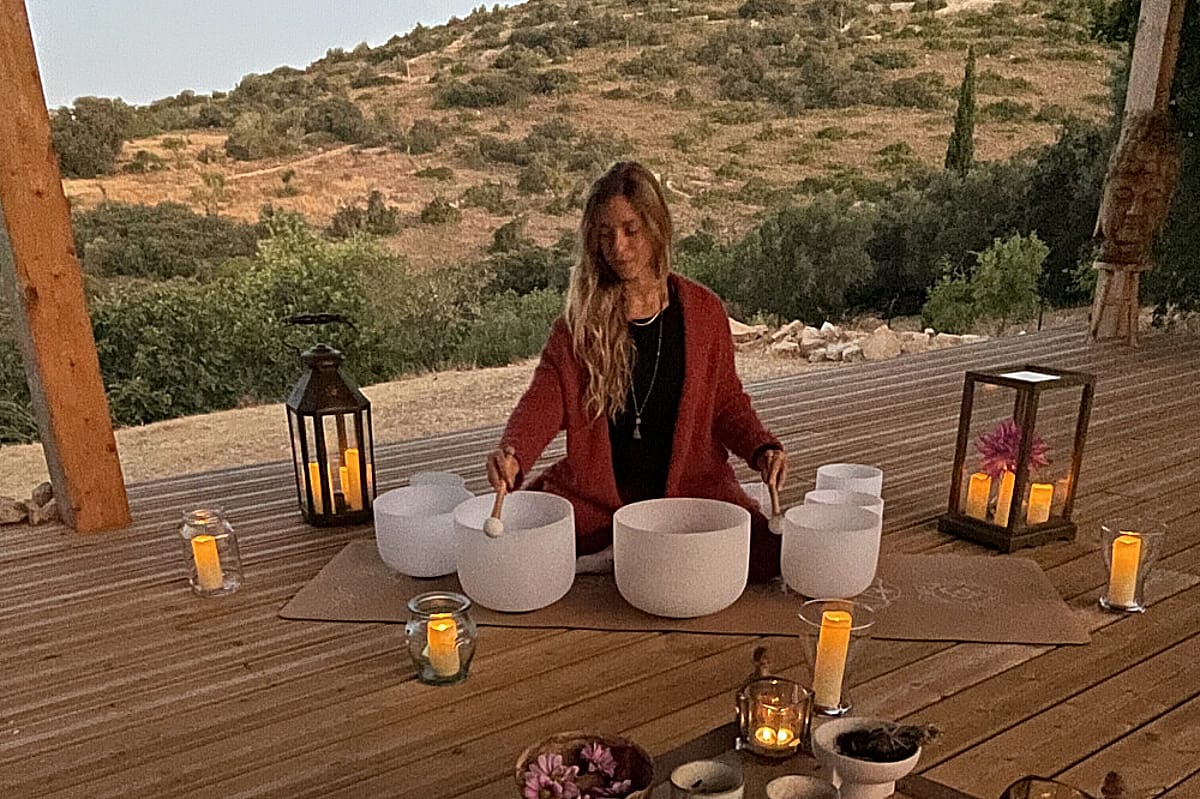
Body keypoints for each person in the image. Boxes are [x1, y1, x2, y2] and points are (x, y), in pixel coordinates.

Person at [486, 161, 788, 582]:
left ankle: (622, 558)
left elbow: (726, 403)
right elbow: (545, 397)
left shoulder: (703, 313)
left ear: (656, 226)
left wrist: (761, 449)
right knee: (516, 553)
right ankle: (620, 553)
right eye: (606, 233)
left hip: (687, 494)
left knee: (773, 554)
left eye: (631, 230)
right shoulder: (579, 324)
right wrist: (513, 453)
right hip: (601, 501)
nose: (619, 247)